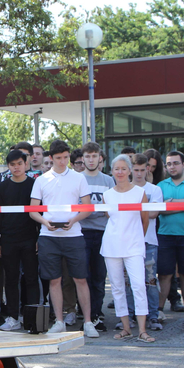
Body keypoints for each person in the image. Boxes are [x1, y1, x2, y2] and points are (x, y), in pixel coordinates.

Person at [28, 140, 99, 337]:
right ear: (51, 158)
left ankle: (87, 322)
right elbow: (33, 210)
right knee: (54, 280)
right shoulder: (41, 180)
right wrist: (45, 222)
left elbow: (87, 207)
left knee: (81, 279)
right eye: (58, 158)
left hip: (74, 234)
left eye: (66, 158)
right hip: (48, 236)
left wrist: (73, 219)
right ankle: (59, 321)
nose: (62, 162)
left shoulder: (78, 178)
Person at [101, 154, 153, 342]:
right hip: (112, 246)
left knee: (139, 285)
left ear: (130, 170)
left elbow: (144, 220)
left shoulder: (139, 193)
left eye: (124, 168)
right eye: (117, 169)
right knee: (117, 288)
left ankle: (142, 329)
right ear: (112, 171)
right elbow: (110, 218)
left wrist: (136, 237)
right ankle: (125, 328)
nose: (120, 172)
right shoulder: (107, 195)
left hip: (134, 246)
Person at [0, 149, 39, 332]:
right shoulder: (2, 188)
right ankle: (13, 317)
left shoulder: (34, 185)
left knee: (31, 279)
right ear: (8, 166)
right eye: (12, 164)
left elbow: (39, 212)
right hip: (8, 240)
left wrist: (38, 238)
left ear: (26, 164)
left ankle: (33, 319)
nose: (16, 167)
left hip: (29, 239)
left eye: (19, 163)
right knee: (11, 280)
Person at [157, 150, 184, 324]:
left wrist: (171, 204)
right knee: (164, 275)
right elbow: (159, 209)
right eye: (169, 164)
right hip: (165, 236)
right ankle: (158, 310)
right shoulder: (160, 186)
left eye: (175, 163)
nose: (172, 166)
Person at [79, 142, 114, 331]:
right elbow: (76, 207)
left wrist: (98, 211)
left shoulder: (108, 180)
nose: (91, 159)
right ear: (83, 158)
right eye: (87, 156)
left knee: (99, 276)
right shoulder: (77, 179)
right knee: (83, 275)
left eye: (94, 156)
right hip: (82, 232)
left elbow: (109, 209)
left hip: (102, 232)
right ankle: (85, 314)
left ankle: (96, 314)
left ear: (100, 157)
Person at [128, 154, 164, 329]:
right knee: (128, 280)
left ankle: (153, 315)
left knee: (150, 280)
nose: (139, 173)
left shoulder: (154, 190)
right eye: (136, 170)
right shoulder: (124, 189)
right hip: (128, 240)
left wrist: (133, 211)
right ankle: (130, 315)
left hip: (149, 240)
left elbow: (154, 213)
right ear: (131, 170)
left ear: (147, 169)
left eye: (143, 170)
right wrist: (143, 211)